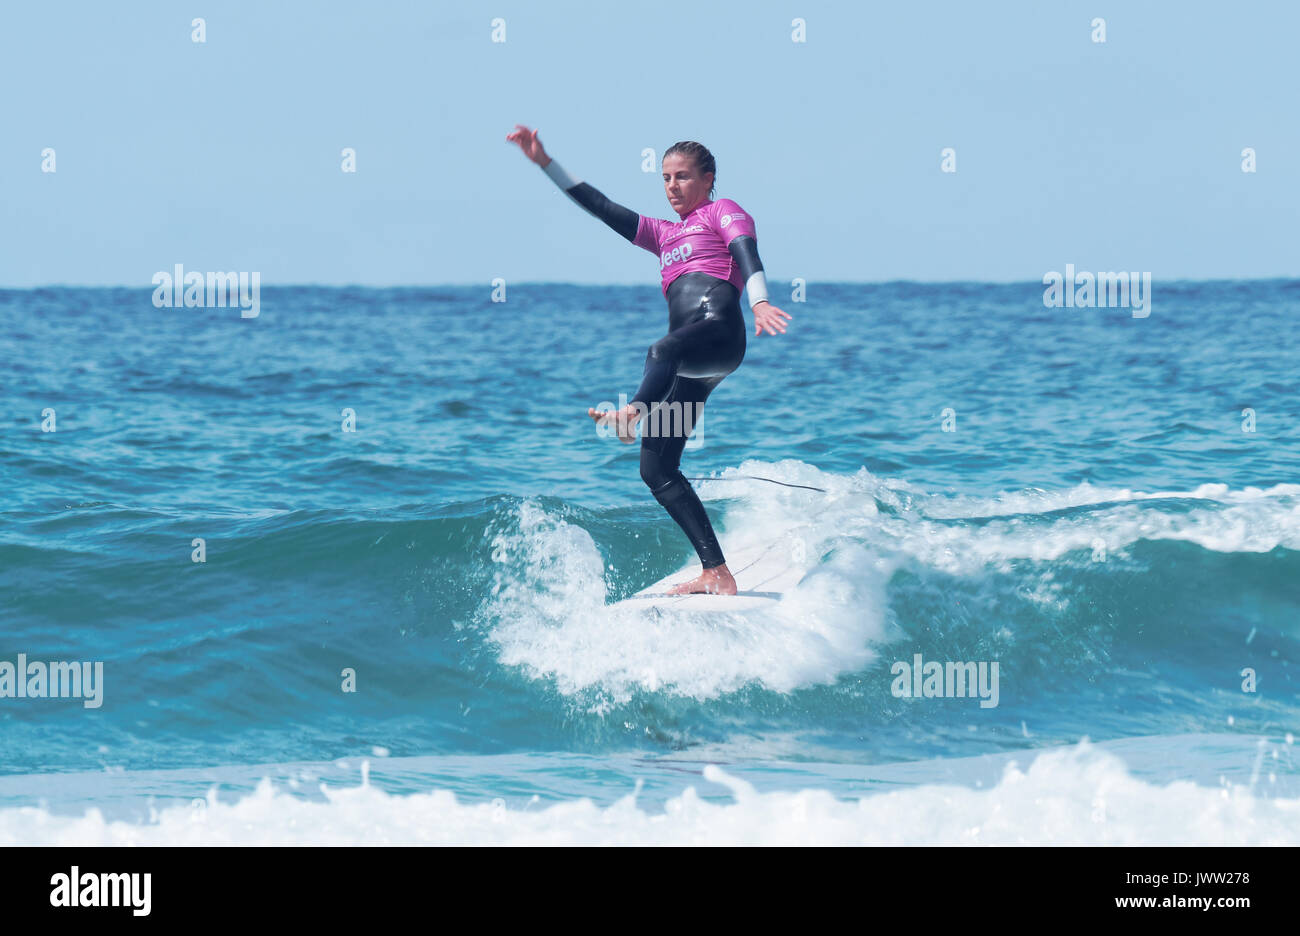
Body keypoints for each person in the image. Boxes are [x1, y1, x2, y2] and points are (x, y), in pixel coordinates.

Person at [506, 124, 791, 595]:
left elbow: (747, 254)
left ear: (708, 177)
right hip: (691, 364)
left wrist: (759, 301)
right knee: (656, 469)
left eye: (682, 176)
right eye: (665, 178)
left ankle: (630, 414)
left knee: (661, 348)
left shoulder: (723, 210)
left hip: (718, 337)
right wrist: (544, 162)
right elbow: (599, 207)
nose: (672, 187)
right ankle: (716, 572)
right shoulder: (661, 235)